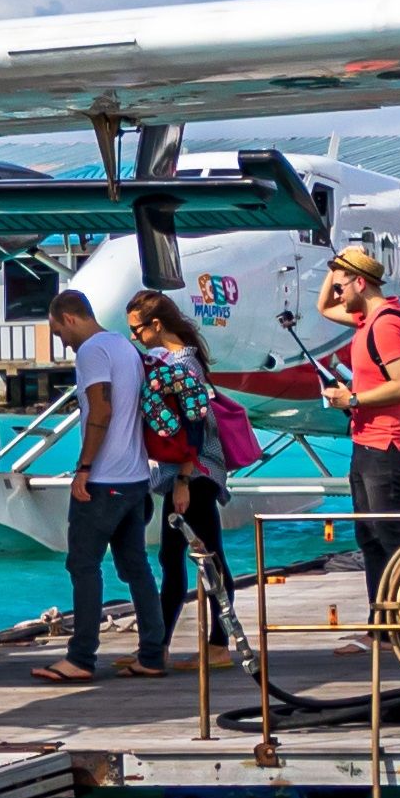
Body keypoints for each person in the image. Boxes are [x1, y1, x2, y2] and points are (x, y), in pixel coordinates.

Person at [39, 289, 169, 683]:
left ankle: (80, 658)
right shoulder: (125, 347)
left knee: (83, 565)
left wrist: (83, 468)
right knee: (136, 567)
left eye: (58, 331)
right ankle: (152, 654)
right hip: (135, 479)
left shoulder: (92, 351)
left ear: (70, 318)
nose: (62, 341)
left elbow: (101, 409)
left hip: (104, 480)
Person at [127, 287, 240, 669]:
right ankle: (158, 646)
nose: (134, 337)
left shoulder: (183, 366)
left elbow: (197, 427)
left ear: (157, 325)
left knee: (208, 559)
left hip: (194, 476)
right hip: (187, 475)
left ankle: (217, 644)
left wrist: (184, 480)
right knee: (175, 558)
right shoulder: (178, 361)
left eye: (137, 329)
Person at [316, 247, 400, 604]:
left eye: (341, 287)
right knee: (370, 536)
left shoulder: (387, 324)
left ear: (360, 283)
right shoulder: (365, 320)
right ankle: (382, 620)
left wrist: (353, 399)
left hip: (388, 444)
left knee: (392, 533)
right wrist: (336, 264)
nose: (337, 294)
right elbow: (323, 308)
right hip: (366, 443)